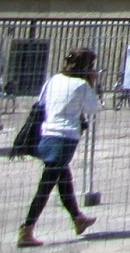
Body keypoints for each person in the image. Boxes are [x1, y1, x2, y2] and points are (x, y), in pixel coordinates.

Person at [18, 47, 100, 248]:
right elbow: (94, 108)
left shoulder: (53, 80)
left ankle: (77, 218)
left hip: (47, 134)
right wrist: (91, 84)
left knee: (63, 177)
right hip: (65, 137)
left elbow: (41, 103)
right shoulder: (81, 85)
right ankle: (27, 229)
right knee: (47, 184)